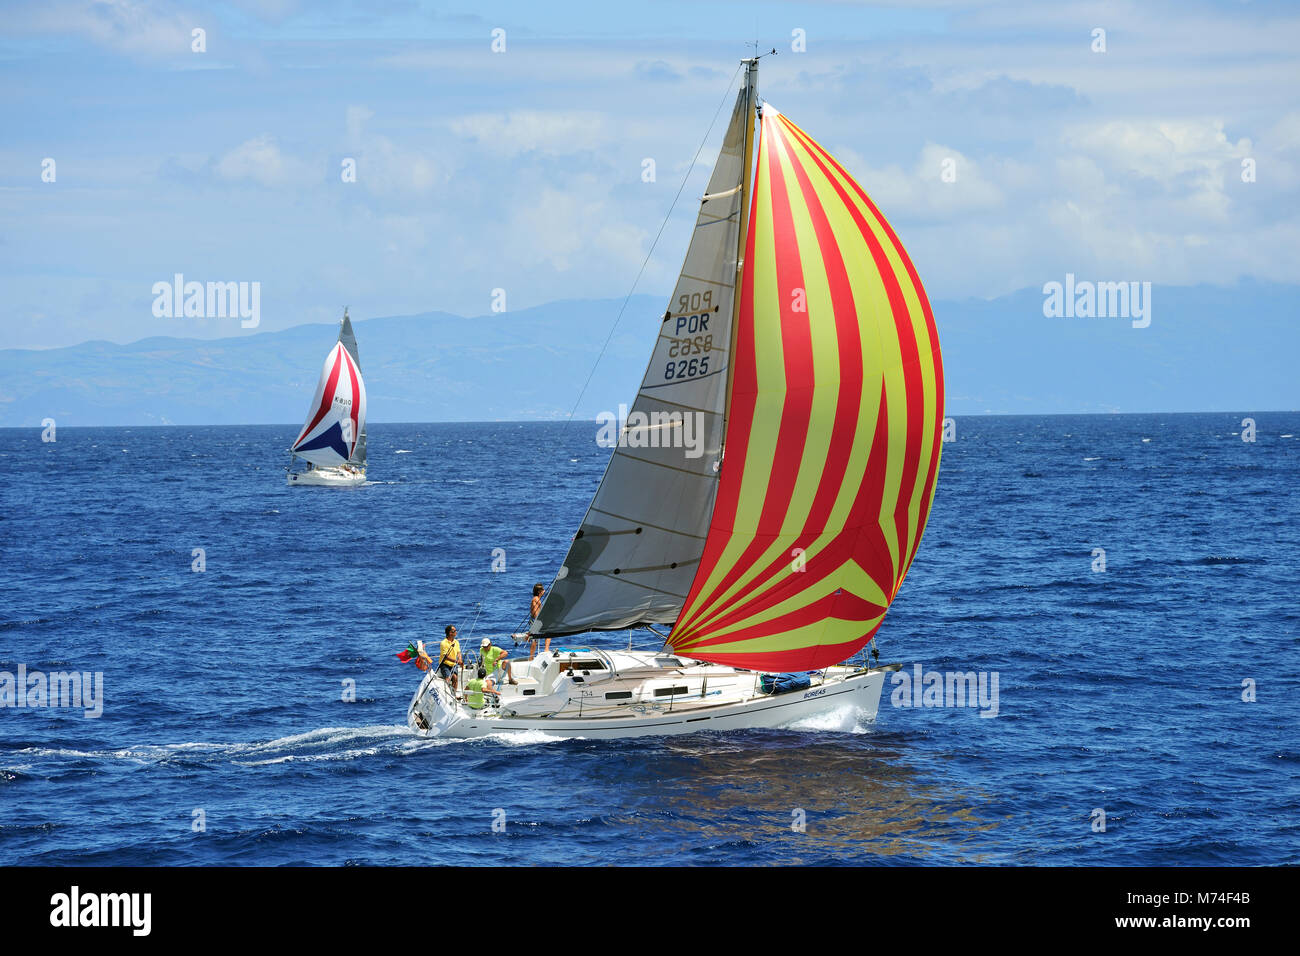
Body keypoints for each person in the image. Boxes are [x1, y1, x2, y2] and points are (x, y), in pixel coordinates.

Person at [438, 625, 463, 694]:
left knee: (455, 678)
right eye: (454, 631)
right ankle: (445, 693)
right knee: (448, 679)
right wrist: (457, 661)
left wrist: (460, 659)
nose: (456, 632)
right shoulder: (443, 643)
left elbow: (458, 652)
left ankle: (453, 694)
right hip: (445, 664)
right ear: (450, 633)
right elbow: (445, 657)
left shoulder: (456, 642)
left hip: (453, 664)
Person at [528, 583, 550, 660]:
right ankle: (546, 650)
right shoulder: (536, 599)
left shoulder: (536, 599)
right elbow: (535, 612)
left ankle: (531, 657)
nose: (544, 591)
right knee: (548, 633)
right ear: (539, 591)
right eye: (543, 590)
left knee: (535, 639)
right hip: (536, 621)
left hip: (535, 621)